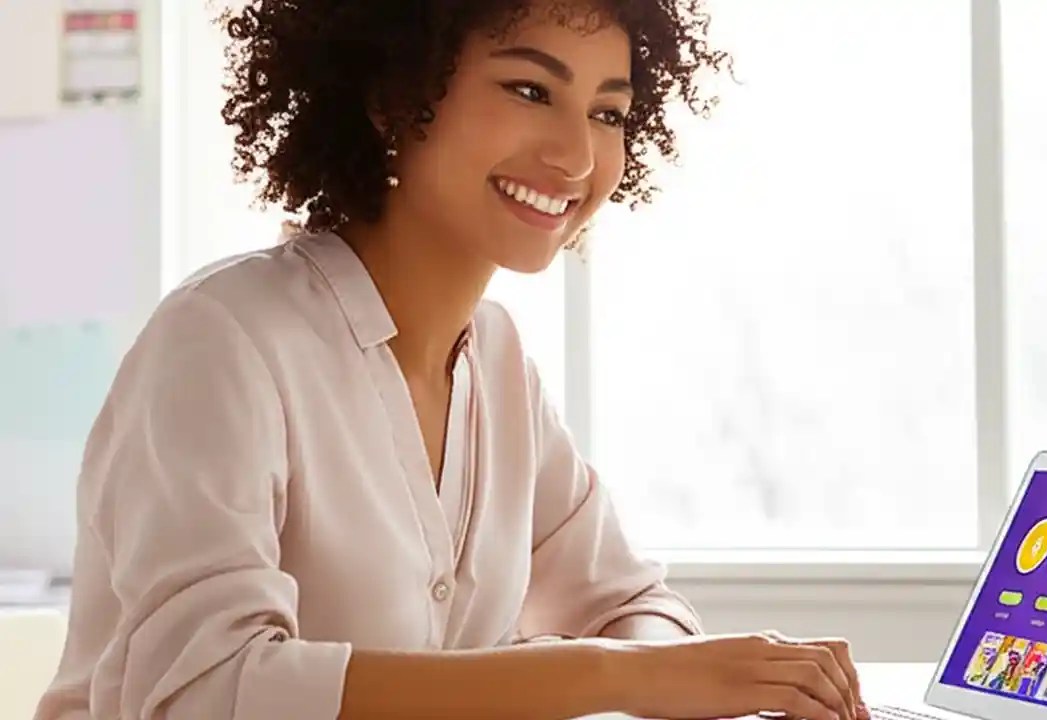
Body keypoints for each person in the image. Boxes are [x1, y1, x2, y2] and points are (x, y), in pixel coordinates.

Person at [35, 1, 872, 719]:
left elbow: (633, 605)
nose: (578, 158)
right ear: (395, 96)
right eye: (529, 90)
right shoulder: (222, 340)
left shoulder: (501, 365)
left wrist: (681, 673)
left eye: (609, 112)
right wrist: (618, 674)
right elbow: (205, 691)